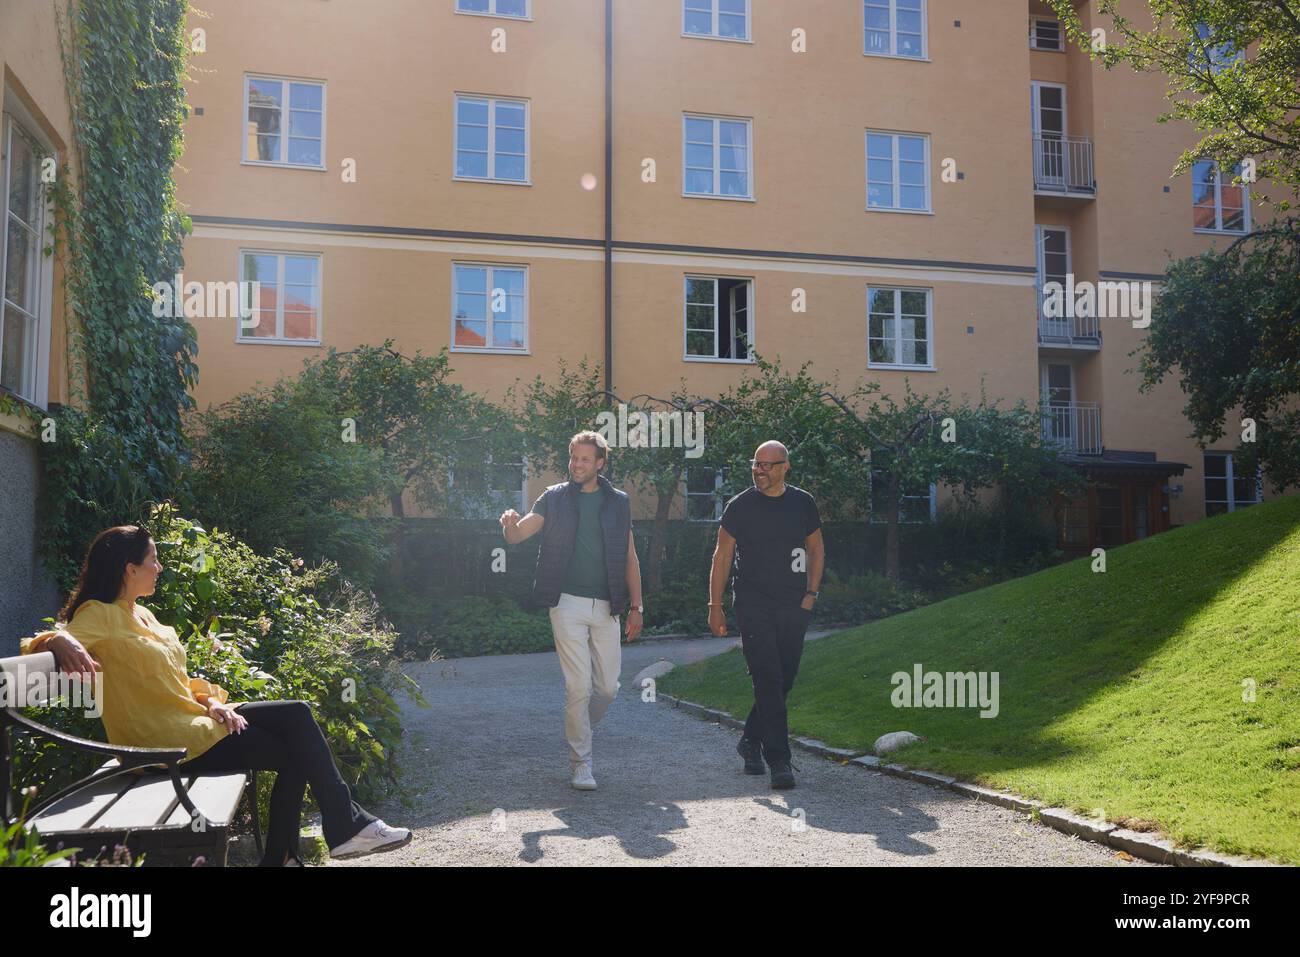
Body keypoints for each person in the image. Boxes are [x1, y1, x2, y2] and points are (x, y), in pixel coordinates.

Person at [21, 524, 411, 866]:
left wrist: (213, 702)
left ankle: (312, 843)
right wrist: (58, 638)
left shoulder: (141, 614)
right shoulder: (98, 615)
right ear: (130, 568)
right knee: (298, 749)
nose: (159, 568)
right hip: (164, 743)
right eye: (153, 560)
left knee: (297, 716)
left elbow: (178, 679)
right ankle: (320, 839)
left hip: (193, 721)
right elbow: (31, 650)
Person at [500, 430, 643, 790]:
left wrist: (637, 606)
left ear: (599, 463)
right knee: (578, 686)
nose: (576, 465)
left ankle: (579, 728)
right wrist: (510, 528)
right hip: (566, 603)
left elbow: (629, 555)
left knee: (607, 688)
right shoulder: (555, 498)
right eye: (573, 458)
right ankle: (581, 762)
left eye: (584, 459)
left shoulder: (619, 502)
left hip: (608, 605)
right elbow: (520, 534)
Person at [708, 441, 824, 790]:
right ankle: (780, 760)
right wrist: (715, 607)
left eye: (767, 465)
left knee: (784, 679)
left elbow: (816, 550)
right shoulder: (739, 507)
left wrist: (811, 596)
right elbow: (722, 557)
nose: (759, 470)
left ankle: (749, 740)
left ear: (785, 467)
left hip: (794, 605)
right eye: (755, 464)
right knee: (768, 678)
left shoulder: (803, 503)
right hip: (752, 604)